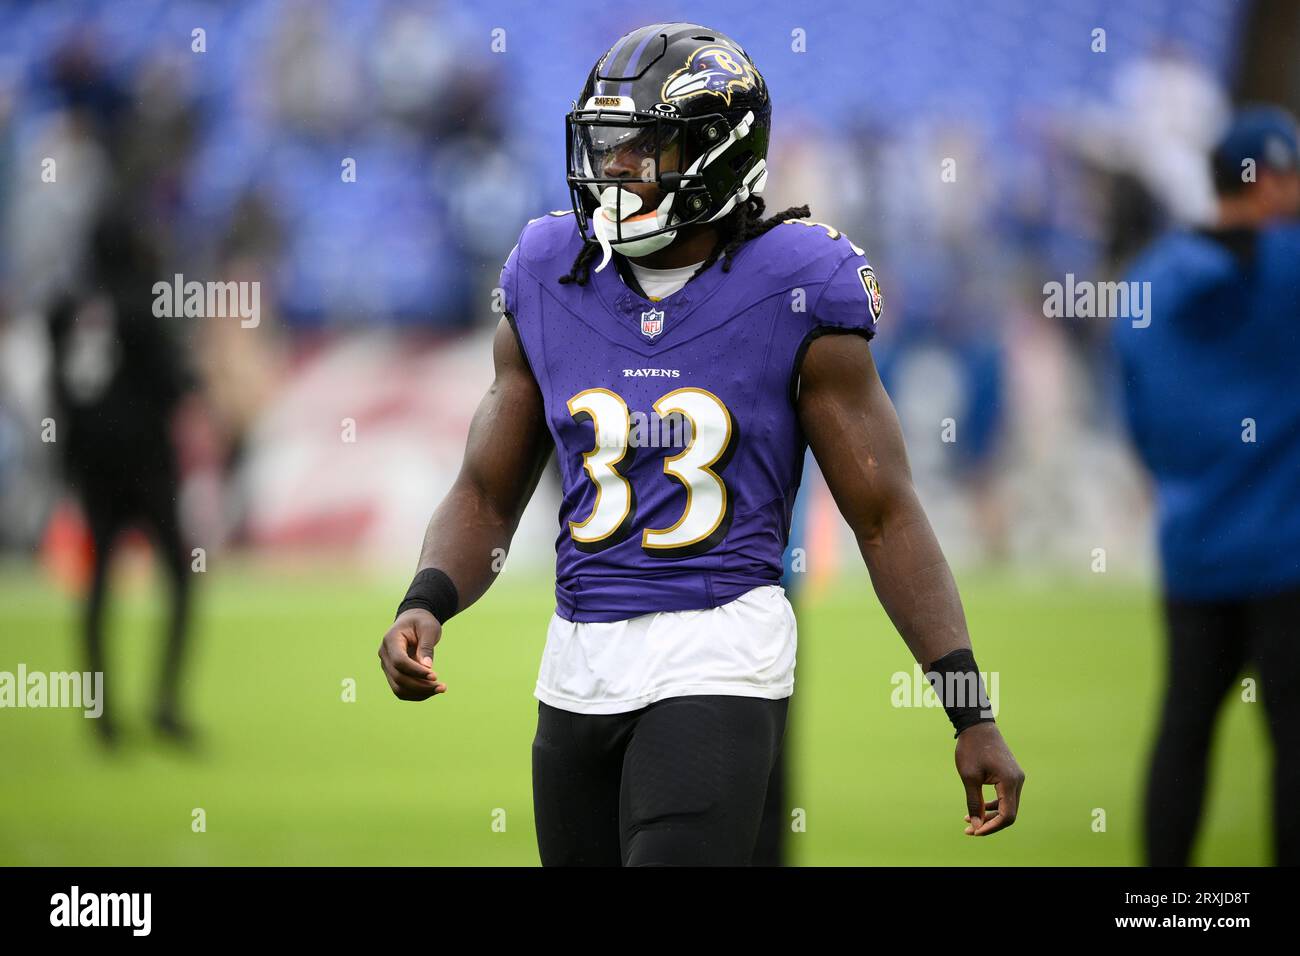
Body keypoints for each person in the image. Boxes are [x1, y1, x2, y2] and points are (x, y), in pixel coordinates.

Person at [378, 22, 1024, 866]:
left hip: (719, 647)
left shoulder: (797, 280)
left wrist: (968, 707)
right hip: (577, 658)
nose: (612, 169)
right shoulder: (547, 267)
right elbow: (486, 491)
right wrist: (425, 600)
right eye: (605, 146)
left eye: (643, 149)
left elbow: (885, 515)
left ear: (719, 154)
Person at [1115, 106, 1300, 866]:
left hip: (1192, 544)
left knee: (1184, 728)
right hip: (1287, 551)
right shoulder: (1290, 268)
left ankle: (1164, 907)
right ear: (1276, 178)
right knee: (1291, 744)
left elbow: (1140, 417)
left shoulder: (1150, 278)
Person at [48, 208, 198, 747]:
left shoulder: (67, 306)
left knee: (96, 584)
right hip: (146, 463)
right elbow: (175, 382)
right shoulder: (144, 302)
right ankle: (165, 704)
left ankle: (102, 716)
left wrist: (67, 457)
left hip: (92, 464)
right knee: (178, 579)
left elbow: (59, 391)